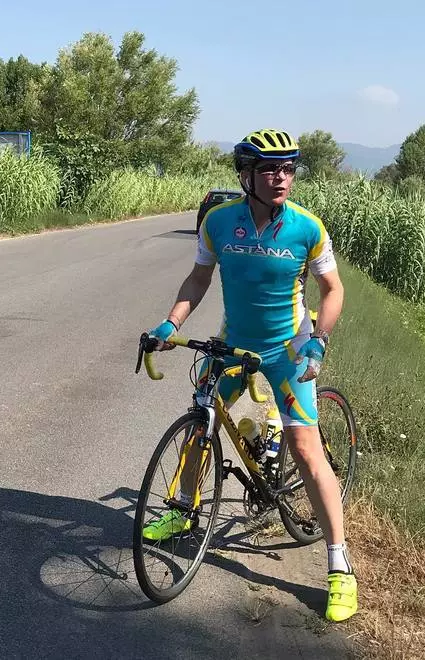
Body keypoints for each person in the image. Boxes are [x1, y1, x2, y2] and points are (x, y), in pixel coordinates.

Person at [142, 129, 357, 623]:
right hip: (235, 346)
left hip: (287, 351)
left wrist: (318, 339)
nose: (280, 177)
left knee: (306, 448)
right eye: (268, 169)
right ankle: (183, 507)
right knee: (203, 419)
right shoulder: (219, 222)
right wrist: (170, 323)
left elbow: (333, 288)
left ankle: (339, 564)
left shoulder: (308, 227)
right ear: (246, 175)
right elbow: (199, 278)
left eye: (287, 169)